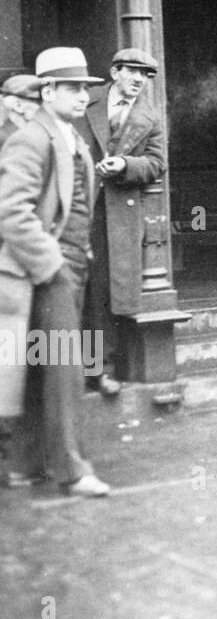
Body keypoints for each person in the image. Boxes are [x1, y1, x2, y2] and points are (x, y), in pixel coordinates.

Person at [0, 47, 111, 495]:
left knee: (42, 367)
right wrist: (51, 266)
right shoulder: (33, 137)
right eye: (72, 88)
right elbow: (10, 210)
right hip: (46, 270)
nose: (82, 96)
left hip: (68, 265)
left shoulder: (68, 135)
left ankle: (26, 464)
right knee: (64, 366)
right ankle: (72, 468)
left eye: (85, 88)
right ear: (47, 91)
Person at [76, 48, 166, 396]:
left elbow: (157, 163)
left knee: (105, 291)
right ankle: (58, 370)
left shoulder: (149, 116)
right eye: (133, 72)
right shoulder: (87, 99)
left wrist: (126, 166)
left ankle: (101, 369)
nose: (139, 80)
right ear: (115, 72)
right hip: (77, 204)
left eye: (145, 76)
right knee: (70, 287)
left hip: (117, 213)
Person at [0, 74, 41, 148]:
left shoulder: (33, 135)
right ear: (18, 106)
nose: (47, 108)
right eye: (40, 103)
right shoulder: (11, 141)